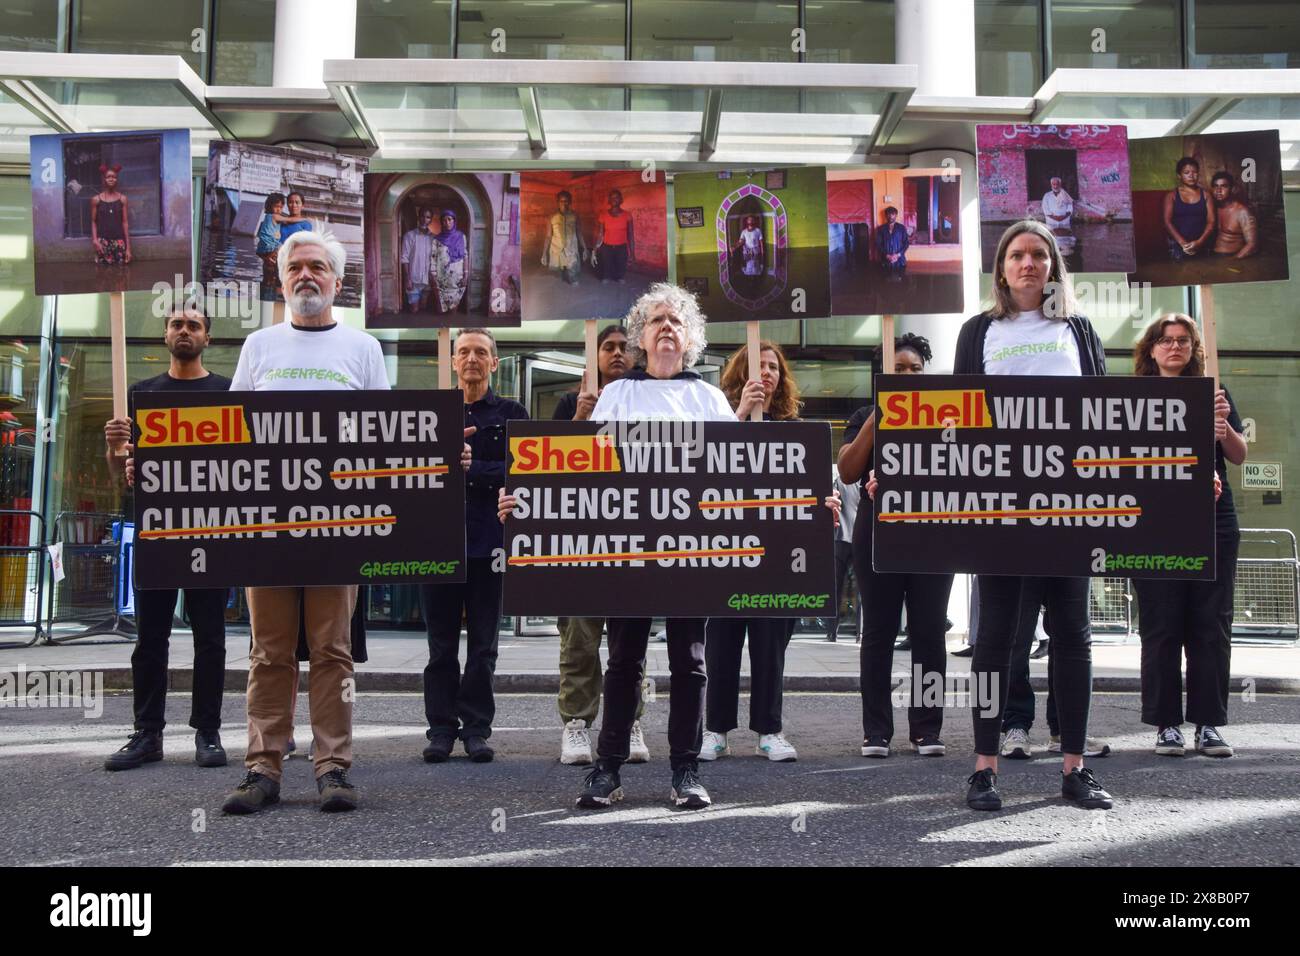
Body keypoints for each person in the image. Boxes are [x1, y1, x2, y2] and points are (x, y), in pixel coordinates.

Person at [218, 230, 388, 815]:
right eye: (296, 267)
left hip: (338, 529)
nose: (306, 275)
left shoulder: (364, 349)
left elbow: (385, 438)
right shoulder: (258, 346)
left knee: (333, 650)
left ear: (338, 283)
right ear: (281, 278)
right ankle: (262, 769)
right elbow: (227, 435)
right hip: (267, 529)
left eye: (319, 266)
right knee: (268, 653)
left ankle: (333, 767)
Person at [950, 219, 1114, 811]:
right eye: (1017, 254)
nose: (1028, 264)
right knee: (995, 639)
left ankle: (1074, 768)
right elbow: (959, 420)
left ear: (1053, 267)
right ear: (1001, 268)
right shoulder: (979, 331)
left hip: (1070, 503)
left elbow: (1103, 414)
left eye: (1039, 255)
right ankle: (984, 771)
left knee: (1073, 633)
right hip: (1000, 506)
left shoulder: (1078, 328)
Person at [102, 306, 230, 772]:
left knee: (210, 637)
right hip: (157, 533)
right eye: (176, 324)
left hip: (211, 532)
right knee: (150, 637)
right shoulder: (141, 394)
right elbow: (123, 477)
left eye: (193, 325)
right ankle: (147, 733)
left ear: (206, 339)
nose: (184, 330)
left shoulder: (227, 391)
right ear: (164, 335)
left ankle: (208, 732)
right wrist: (116, 451)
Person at [1132, 314, 1245, 758]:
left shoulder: (1213, 394)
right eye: (1165, 341)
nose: (1174, 348)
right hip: (1155, 520)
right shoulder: (1135, 397)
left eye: (1183, 341)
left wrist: (1225, 429)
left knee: (1211, 623)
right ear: (1152, 349)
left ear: (1194, 348)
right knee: (1161, 624)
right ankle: (1166, 725)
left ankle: (1209, 724)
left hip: (1213, 519)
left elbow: (1237, 455)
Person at [842, 334, 954, 759]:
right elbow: (849, 469)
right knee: (879, 633)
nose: (907, 376)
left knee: (929, 632)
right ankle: (876, 731)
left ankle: (927, 728)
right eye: (897, 369)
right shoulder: (864, 415)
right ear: (881, 376)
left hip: (933, 534)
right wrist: (878, 418)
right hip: (878, 535)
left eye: (914, 370)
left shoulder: (945, 416)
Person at [421, 328, 528, 764]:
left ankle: (477, 729)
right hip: (438, 543)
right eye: (463, 351)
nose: (471, 359)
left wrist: (472, 467)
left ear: (494, 363)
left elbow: (523, 466)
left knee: (484, 645)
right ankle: (441, 730)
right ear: (451, 361)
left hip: (490, 543)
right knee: (440, 646)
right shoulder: (430, 414)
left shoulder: (512, 412)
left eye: (480, 352)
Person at [700, 341, 803, 763]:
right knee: (721, 644)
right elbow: (704, 465)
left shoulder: (795, 426)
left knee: (769, 644)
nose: (767, 372)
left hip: (776, 555)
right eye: (758, 365)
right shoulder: (718, 415)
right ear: (740, 373)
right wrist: (740, 413)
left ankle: (769, 730)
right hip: (726, 551)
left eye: (773, 366)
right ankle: (715, 730)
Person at [551, 325, 649, 765]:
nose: (616, 353)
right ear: (594, 357)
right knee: (579, 638)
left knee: (630, 640)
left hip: (633, 537)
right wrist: (578, 424)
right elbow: (547, 469)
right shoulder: (572, 403)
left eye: (624, 347)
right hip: (581, 538)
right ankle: (576, 724)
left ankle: (629, 722)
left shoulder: (648, 400)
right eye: (607, 347)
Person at [826, 470, 859, 643]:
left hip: (840, 537)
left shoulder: (839, 482)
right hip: (859, 539)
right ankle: (860, 632)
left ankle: (832, 631)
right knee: (860, 590)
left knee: (836, 588)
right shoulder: (861, 483)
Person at [1164, 158, 1216, 261]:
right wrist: (1183, 243)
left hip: (1202, 243)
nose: (1191, 176)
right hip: (1178, 244)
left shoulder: (1206, 195)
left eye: (1195, 172)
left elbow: (1211, 221)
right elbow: (1167, 222)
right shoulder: (1172, 196)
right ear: (1179, 175)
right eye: (1186, 172)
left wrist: (1199, 242)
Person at [255, 193, 308, 292]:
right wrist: (265, 258)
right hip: (269, 263)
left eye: (297, 202)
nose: (294, 205)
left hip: (287, 267)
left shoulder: (305, 224)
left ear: (302, 205)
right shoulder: (278, 220)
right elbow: (262, 240)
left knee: (282, 295)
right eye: (291, 202)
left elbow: (303, 249)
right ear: (287, 205)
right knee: (266, 293)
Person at [1209, 172, 1259, 259]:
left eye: (1224, 186)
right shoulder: (1214, 208)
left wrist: (1234, 260)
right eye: (1216, 186)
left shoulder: (1242, 212)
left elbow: (1252, 244)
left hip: (1231, 257)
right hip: (1214, 255)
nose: (1218, 190)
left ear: (1232, 189)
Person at [541, 191, 586, 285]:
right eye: (561, 201)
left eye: (566, 201)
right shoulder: (552, 217)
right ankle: (563, 273)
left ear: (570, 202)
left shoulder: (575, 216)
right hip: (557, 248)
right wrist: (544, 253)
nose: (564, 203)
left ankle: (572, 277)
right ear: (558, 202)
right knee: (560, 268)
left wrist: (585, 248)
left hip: (571, 247)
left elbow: (579, 232)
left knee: (573, 277)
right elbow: (548, 236)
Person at [90, 163, 131, 266]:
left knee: (121, 275)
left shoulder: (123, 199)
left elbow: (125, 223)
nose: (111, 179)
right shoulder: (96, 200)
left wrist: (128, 248)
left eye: (114, 177)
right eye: (108, 177)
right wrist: (95, 240)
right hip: (102, 242)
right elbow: (93, 221)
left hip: (119, 242)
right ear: (104, 179)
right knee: (102, 275)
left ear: (117, 180)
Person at [594, 188, 635, 284]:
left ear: (621, 200)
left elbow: (631, 235)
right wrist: (595, 250)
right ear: (609, 200)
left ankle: (620, 276)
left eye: (617, 197)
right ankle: (606, 276)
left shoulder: (627, 215)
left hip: (622, 247)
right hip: (607, 247)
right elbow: (600, 234)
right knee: (606, 267)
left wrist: (633, 253)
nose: (614, 199)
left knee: (620, 271)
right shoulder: (603, 215)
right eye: (612, 198)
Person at [431, 209, 469, 313]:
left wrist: (466, 275)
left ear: (454, 221)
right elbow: (433, 259)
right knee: (440, 310)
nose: (447, 222)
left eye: (449, 219)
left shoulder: (461, 237)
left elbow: (465, 256)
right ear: (441, 223)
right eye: (444, 220)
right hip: (441, 280)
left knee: (453, 309)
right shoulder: (436, 240)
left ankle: (452, 326)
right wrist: (433, 277)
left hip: (456, 279)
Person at [400, 207, 436, 313]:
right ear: (418, 217)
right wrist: (407, 279)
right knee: (414, 309)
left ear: (431, 220)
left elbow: (436, 258)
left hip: (427, 279)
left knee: (424, 306)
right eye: (422, 216)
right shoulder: (409, 236)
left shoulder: (433, 238)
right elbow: (404, 258)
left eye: (428, 217)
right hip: (413, 279)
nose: (425, 219)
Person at [875, 206, 908, 279]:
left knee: (900, 283)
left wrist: (898, 255)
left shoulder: (901, 228)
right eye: (888, 214)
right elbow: (878, 244)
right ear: (885, 215)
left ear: (896, 215)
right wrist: (887, 255)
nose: (890, 216)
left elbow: (906, 243)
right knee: (885, 282)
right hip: (885, 261)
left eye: (893, 214)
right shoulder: (881, 229)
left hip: (900, 261)